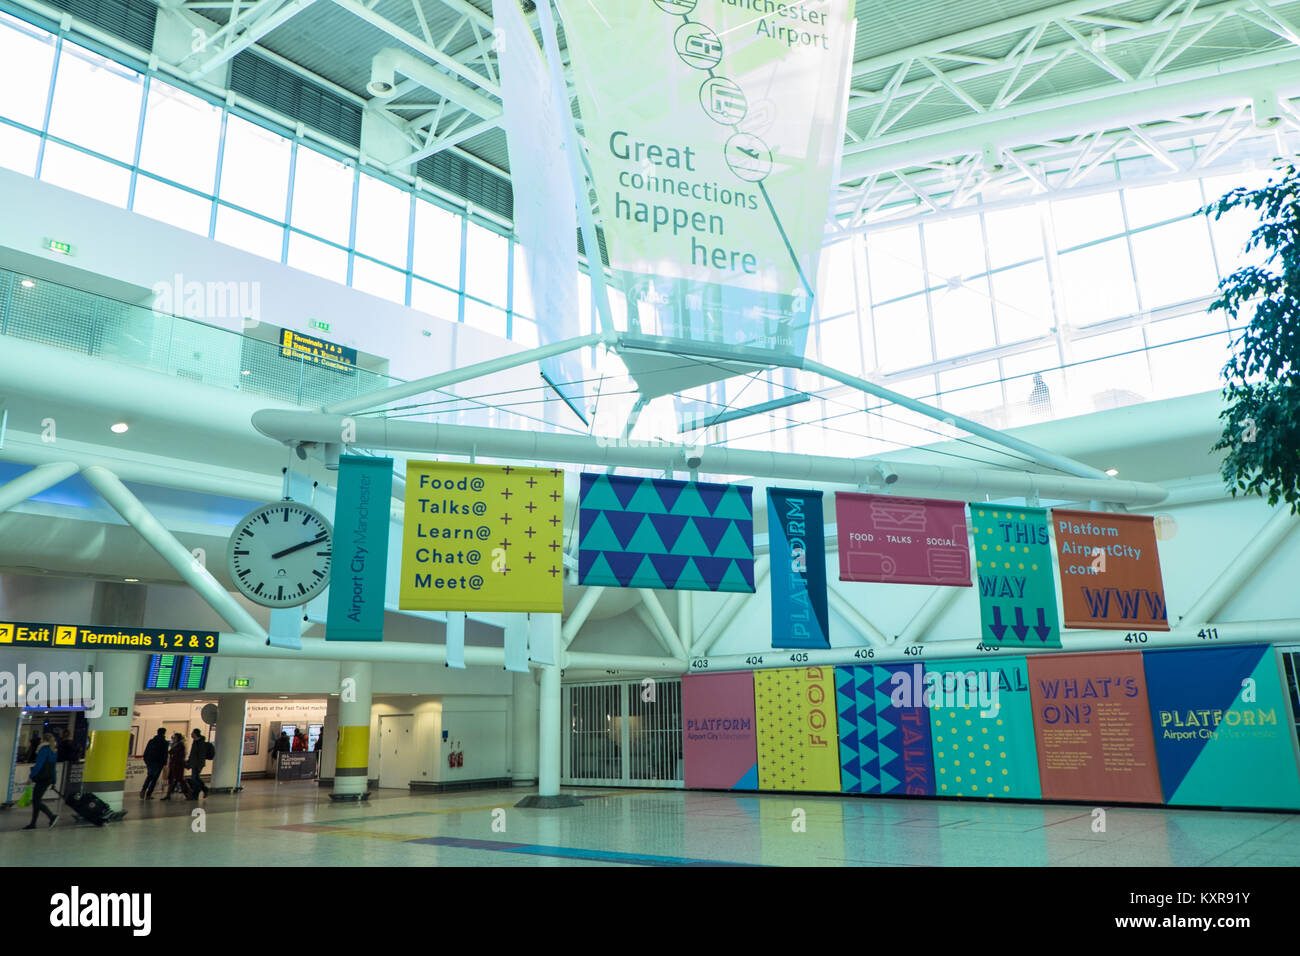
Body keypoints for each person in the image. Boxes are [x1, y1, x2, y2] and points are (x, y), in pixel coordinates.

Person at [22, 734, 59, 829]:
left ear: (43, 740)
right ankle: (33, 823)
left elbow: (39, 765)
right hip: (49, 778)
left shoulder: (43, 750)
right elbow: (54, 767)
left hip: (42, 778)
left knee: (36, 801)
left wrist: (31, 776)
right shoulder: (53, 750)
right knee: (37, 800)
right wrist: (54, 780)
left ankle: (52, 816)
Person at [140, 728, 169, 800]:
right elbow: (165, 753)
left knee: (149, 776)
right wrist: (164, 763)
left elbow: (146, 750)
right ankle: (148, 794)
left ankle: (143, 790)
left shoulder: (151, 741)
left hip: (150, 761)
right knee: (154, 778)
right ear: (164, 733)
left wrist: (145, 759)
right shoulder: (164, 742)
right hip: (159, 762)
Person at [160, 733, 188, 801]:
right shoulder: (175, 745)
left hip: (178, 765)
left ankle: (188, 794)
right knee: (171, 780)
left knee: (180, 780)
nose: (173, 739)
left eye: (175, 737)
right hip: (173, 764)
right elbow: (171, 752)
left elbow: (175, 753)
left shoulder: (181, 745)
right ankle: (168, 795)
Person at [188, 729, 209, 801]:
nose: (191, 734)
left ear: (195, 734)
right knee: (195, 779)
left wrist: (199, 765)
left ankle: (204, 789)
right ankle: (195, 794)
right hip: (194, 763)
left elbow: (201, 755)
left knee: (195, 779)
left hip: (198, 764)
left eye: (192, 733)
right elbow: (192, 754)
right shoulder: (195, 742)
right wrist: (189, 762)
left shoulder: (200, 743)